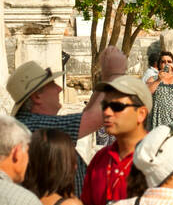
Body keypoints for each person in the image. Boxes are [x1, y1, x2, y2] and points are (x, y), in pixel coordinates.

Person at [8, 47, 127, 194]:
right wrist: (116, 74)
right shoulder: (35, 126)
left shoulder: (31, 123)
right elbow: (98, 117)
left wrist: (107, 78)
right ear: (37, 97)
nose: (59, 89)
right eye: (52, 85)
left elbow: (88, 114)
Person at [81, 73, 173, 205]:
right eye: (104, 105)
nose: (107, 112)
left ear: (141, 114)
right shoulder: (100, 159)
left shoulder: (169, 159)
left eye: (117, 106)